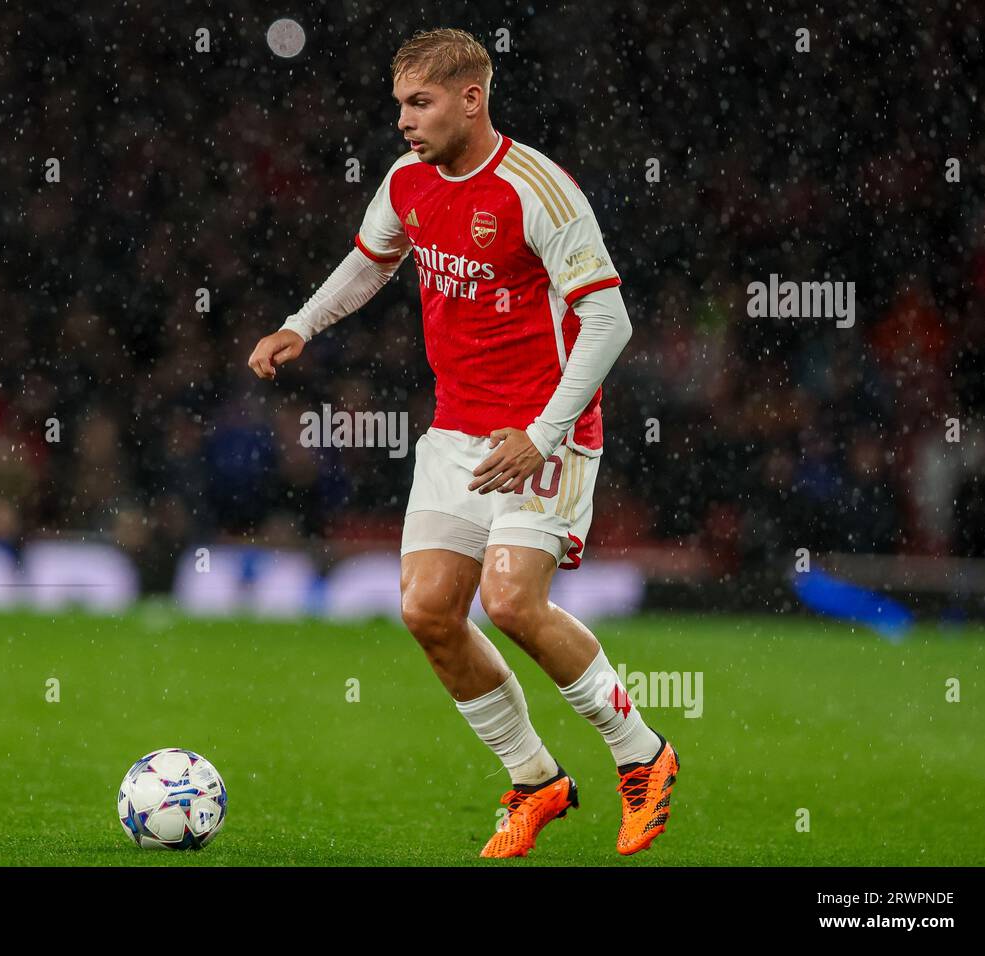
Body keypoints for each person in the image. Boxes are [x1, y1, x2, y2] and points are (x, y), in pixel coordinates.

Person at [248, 27, 677, 858]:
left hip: (545, 431)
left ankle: (644, 755)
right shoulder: (408, 180)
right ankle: (536, 780)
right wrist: (302, 324)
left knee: (513, 600)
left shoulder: (536, 190)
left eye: (421, 103)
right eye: (400, 104)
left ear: (471, 99)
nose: (405, 122)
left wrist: (544, 432)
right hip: (458, 432)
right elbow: (372, 260)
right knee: (428, 611)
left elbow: (610, 319)